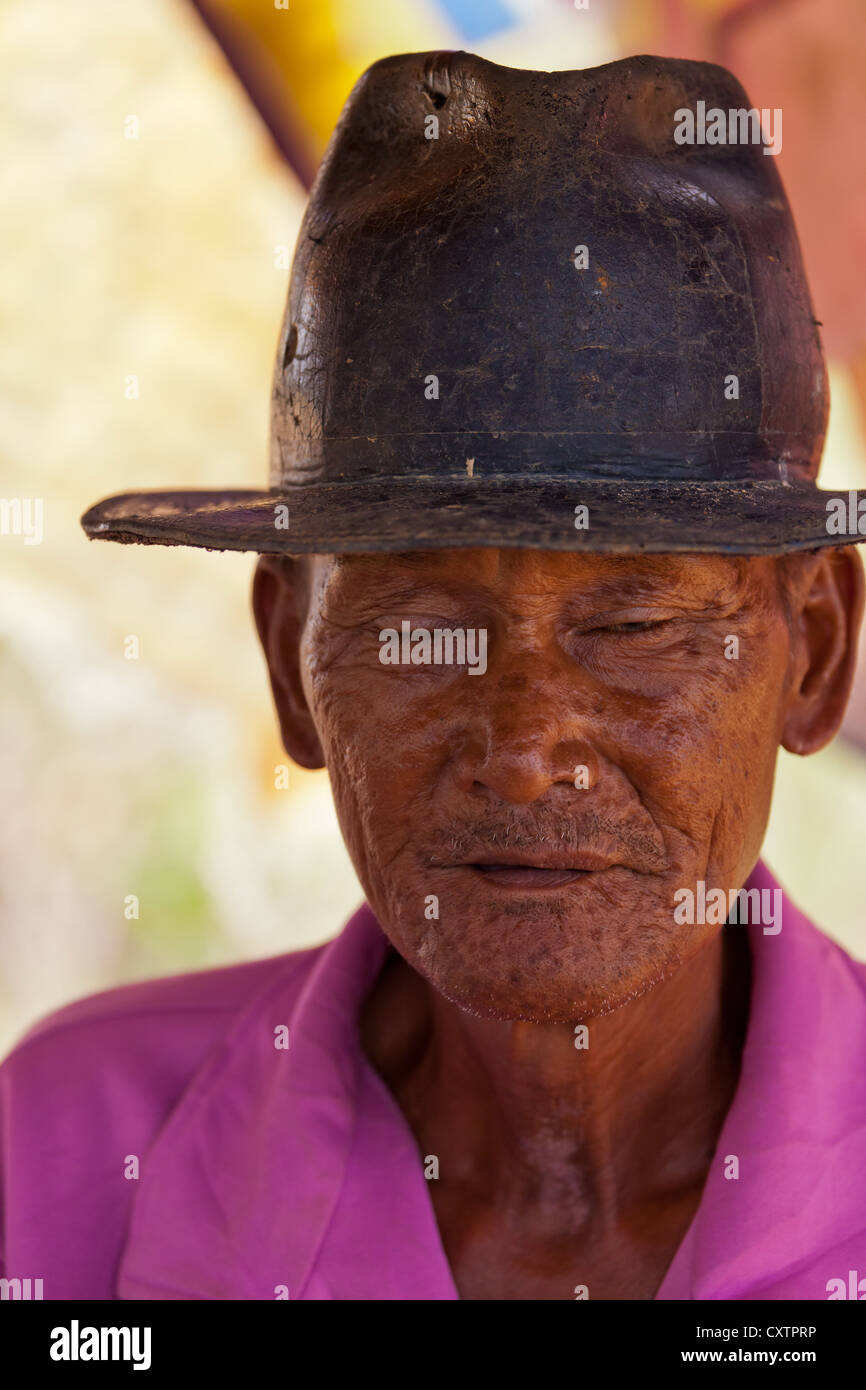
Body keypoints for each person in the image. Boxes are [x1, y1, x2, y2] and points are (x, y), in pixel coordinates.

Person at [3, 51, 866, 1302]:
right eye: (419, 630)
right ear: (291, 662)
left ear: (815, 653)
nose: (524, 746)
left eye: (631, 627)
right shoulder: (65, 1149)